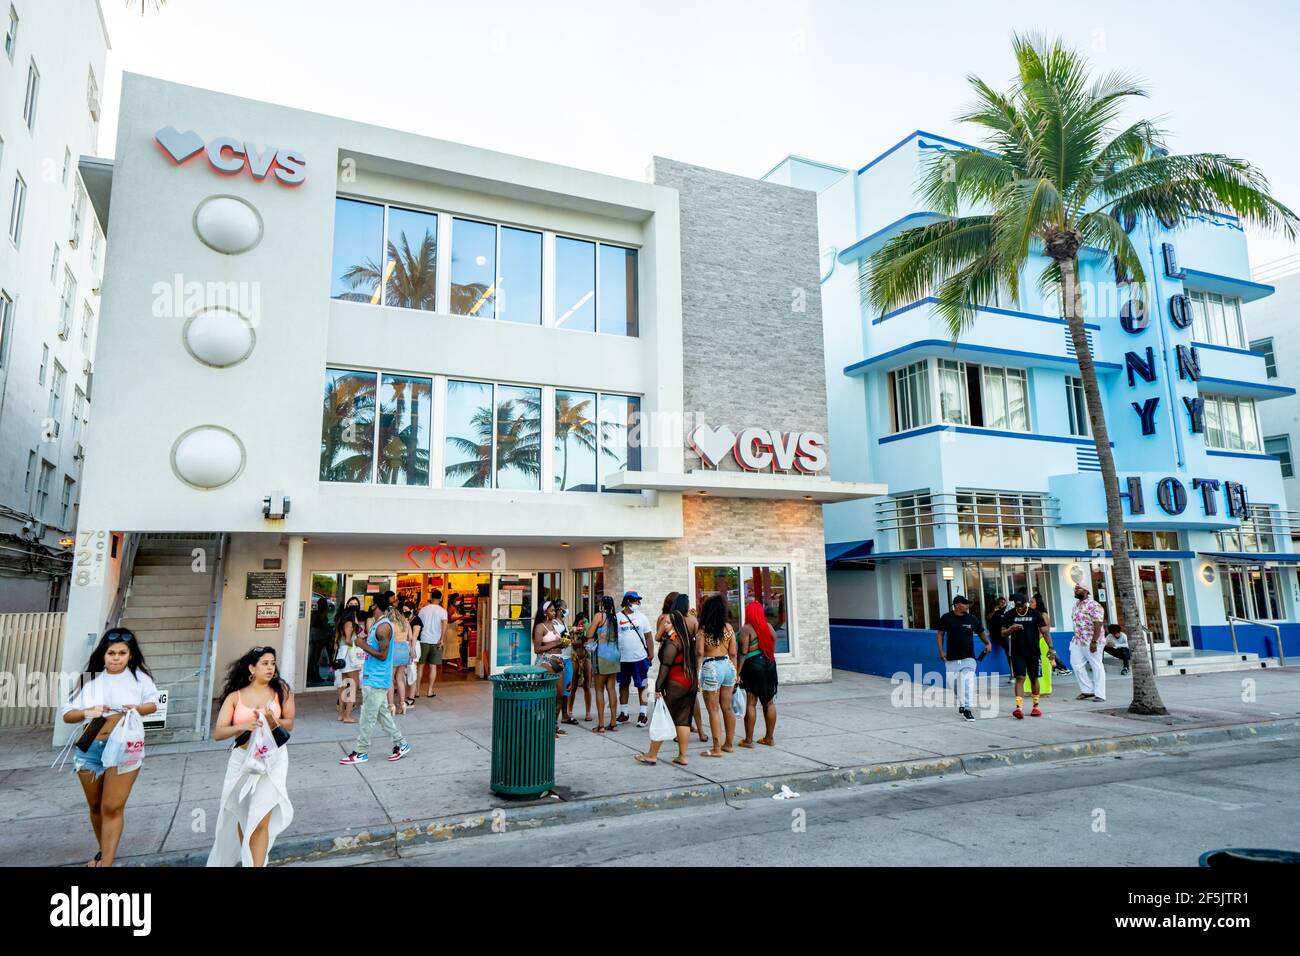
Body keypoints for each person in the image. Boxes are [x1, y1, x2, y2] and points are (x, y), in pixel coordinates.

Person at [60, 627, 160, 867]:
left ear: (130, 655)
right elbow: (67, 714)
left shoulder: (140, 679)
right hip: (90, 745)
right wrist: (87, 711)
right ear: (103, 655)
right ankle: (104, 852)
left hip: (124, 747)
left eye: (122, 653)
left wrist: (135, 707)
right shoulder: (89, 678)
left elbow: (152, 705)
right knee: (95, 806)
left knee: (112, 806)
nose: (116, 657)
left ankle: (106, 863)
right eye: (111, 653)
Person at [208, 646, 296, 867]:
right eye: (264, 663)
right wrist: (243, 726)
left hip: (271, 760)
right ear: (251, 668)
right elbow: (219, 732)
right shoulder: (235, 696)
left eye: (272, 663)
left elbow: (289, 724)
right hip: (242, 761)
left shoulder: (281, 690)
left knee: (260, 819)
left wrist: (270, 719)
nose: (270, 668)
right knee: (243, 816)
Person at [339, 591, 411, 764]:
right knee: (382, 715)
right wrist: (364, 641)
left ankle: (361, 751)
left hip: (378, 679)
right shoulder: (378, 625)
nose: (369, 607)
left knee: (367, 717)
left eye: (371, 604)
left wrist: (362, 645)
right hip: (373, 676)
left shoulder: (383, 627)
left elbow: (383, 655)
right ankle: (401, 744)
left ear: (375, 606)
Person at [636, 593, 699, 766]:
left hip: (675, 683)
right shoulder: (687, 641)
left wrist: (658, 687)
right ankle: (683, 756)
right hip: (690, 682)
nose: (665, 623)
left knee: (662, 716)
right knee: (683, 719)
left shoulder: (673, 643)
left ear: (675, 624)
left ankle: (652, 754)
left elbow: (665, 666)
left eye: (668, 622)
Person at [936, 595, 991, 721]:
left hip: (968, 659)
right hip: (951, 659)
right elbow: (940, 634)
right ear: (957, 605)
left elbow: (981, 631)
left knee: (967, 683)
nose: (967, 606)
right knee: (954, 685)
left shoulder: (971, 618)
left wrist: (987, 643)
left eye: (967, 603)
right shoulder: (946, 618)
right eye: (964, 603)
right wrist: (940, 650)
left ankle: (967, 708)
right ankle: (962, 703)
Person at [697, 595, 737, 755]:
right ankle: (728, 744)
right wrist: (737, 673)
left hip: (711, 667)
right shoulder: (728, 628)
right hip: (728, 666)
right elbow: (733, 653)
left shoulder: (703, 630)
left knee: (713, 710)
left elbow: (700, 653)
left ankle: (716, 748)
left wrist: (696, 674)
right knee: (727, 707)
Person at [737, 600, 779, 746]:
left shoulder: (746, 629)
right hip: (769, 663)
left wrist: (738, 672)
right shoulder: (767, 626)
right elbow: (774, 638)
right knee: (769, 701)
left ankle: (748, 740)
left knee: (751, 702)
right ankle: (769, 738)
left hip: (753, 665)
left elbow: (743, 652)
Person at [1001, 592, 1048, 718]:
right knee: (1020, 678)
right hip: (1017, 652)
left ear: (1025, 603)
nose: (1019, 608)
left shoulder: (1035, 614)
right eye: (1017, 606)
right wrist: (1011, 629)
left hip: (1033, 652)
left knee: (1034, 678)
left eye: (1021, 606)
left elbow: (1045, 631)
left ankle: (1036, 706)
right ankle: (1019, 707)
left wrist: (1051, 648)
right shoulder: (1009, 615)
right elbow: (1003, 633)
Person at [615, 591, 654, 727]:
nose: (638, 604)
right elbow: (614, 638)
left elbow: (648, 636)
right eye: (636, 601)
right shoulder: (617, 617)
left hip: (640, 658)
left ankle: (643, 714)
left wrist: (651, 653)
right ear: (628, 602)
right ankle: (624, 713)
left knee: (642, 685)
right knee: (623, 685)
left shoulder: (642, 617)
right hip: (623, 659)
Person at [532, 601, 568, 737]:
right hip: (546, 661)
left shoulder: (554, 625)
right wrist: (555, 643)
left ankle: (554, 725)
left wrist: (563, 644)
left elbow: (558, 643)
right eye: (552, 611)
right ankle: (544, 726)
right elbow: (537, 649)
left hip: (559, 660)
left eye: (554, 611)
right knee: (549, 696)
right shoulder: (540, 627)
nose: (554, 613)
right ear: (545, 612)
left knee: (560, 695)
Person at [587, 594, 623, 732]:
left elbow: (589, 634)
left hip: (602, 656)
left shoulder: (599, 616)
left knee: (599, 689)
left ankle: (601, 724)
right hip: (614, 656)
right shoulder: (615, 618)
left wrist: (595, 633)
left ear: (601, 605)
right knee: (612, 689)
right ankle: (613, 722)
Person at [1070, 585, 1107, 702]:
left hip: (1092, 641)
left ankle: (1100, 694)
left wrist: (1094, 641)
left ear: (1086, 591)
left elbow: (1098, 623)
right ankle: (1087, 690)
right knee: (1076, 665)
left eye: (1078, 589)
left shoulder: (1094, 605)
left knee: (1096, 666)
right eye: (1075, 589)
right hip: (1078, 640)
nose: (1076, 590)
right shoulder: (1076, 605)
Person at [416, 589, 448, 698]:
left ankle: (416, 691)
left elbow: (418, 625)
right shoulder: (443, 611)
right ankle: (429, 691)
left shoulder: (423, 610)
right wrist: (442, 638)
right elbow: (444, 625)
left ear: (431, 597)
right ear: (440, 598)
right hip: (436, 641)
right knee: (433, 667)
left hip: (423, 640)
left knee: (420, 666)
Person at [334, 610, 363, 723]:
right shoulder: (349, 624)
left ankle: (341, 714)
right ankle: (348, 716)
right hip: (349, 659)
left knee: (343, 688)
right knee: (352, 687)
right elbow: (348, 641)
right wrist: (357, 643)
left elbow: (337, 642)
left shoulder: (340, 624)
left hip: (342, 657)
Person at [389, 599, 415, 714]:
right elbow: (410, 637)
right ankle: (403, 703)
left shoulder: (390, 624)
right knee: (400, 678)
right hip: (404, 650)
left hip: (393, 650)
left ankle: (391, 705)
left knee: (390, 679)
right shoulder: (405, 622)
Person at [567, 623, 594, 721]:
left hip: (586, 657)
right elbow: (571, 643)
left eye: (586, 622)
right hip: (575, 658)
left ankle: (588, 712)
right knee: (573, 686)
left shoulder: (589, 631)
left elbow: (591, 644)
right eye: (582, 622)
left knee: (587, 686)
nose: (583, 625)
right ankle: (569, 711)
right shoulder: (572, 631)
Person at [985, 596, 1012, 682]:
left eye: (1004, 603)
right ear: (997, 602)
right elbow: (988, 618)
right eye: (1001, 602)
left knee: (1009, 653)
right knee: (1009, 652)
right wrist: (994, 610)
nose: (1002, 604)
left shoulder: (1006, 612)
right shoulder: (993, 610)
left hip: (1003, 635)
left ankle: (1013, 673)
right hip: (995, 635)